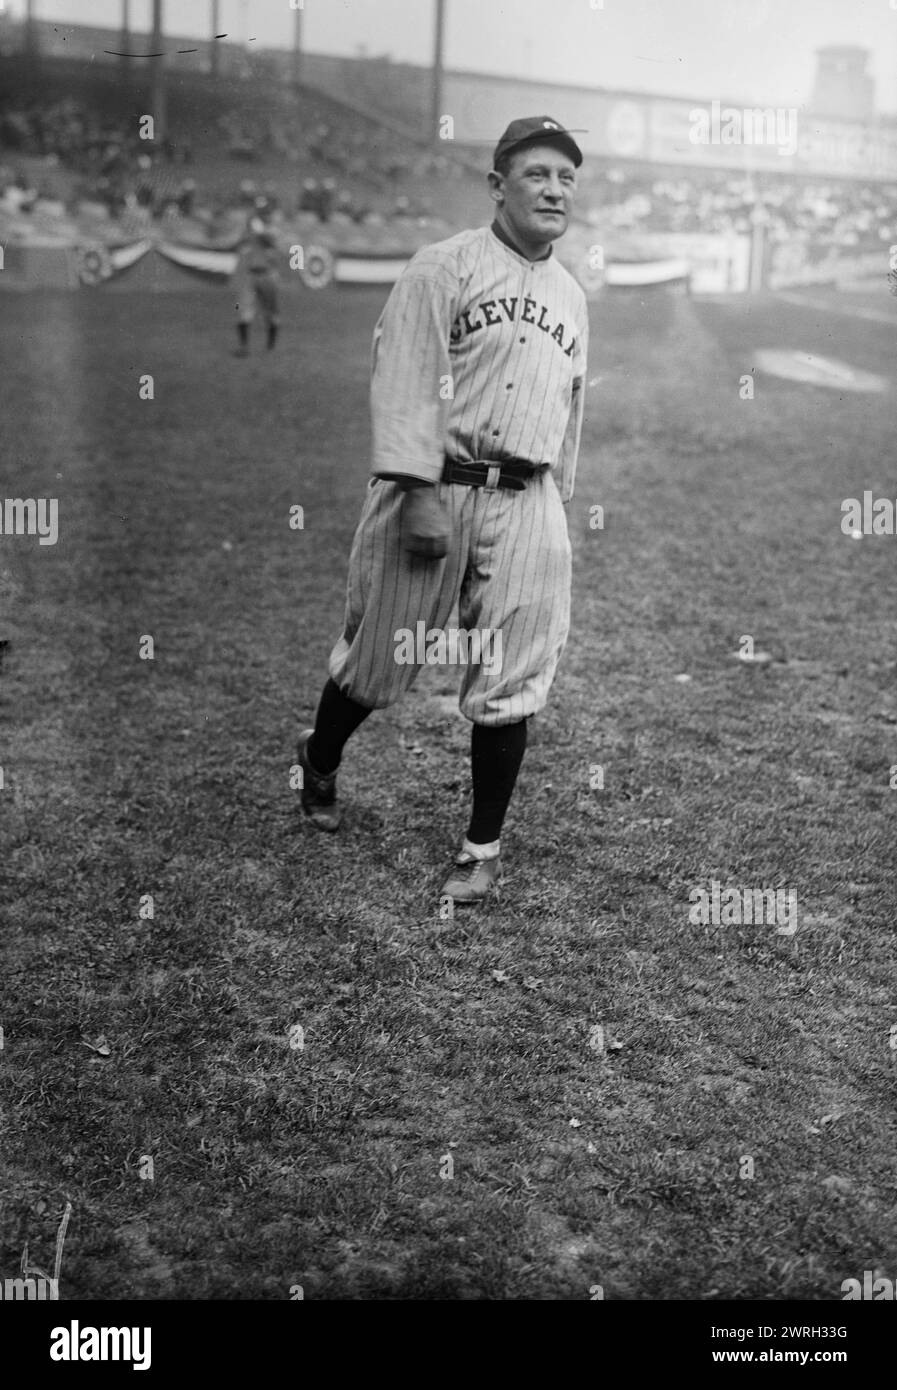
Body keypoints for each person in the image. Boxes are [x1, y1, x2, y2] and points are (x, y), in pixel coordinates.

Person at [297, 117, 589, 904]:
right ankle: (319, 758)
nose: (554, 189)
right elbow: (403, 380)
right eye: (536, 174)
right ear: (498, 185)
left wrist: (553, 509)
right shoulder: (443, 269)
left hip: (526, 497)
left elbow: (568, 406)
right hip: (435, 484)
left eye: (565, 176)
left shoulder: (571, 294)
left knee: (512, 677)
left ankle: (479, 848)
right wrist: (419, 492)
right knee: (376, 663)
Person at [233, 219, 281, 356]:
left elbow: (271, 242)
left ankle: (271, 347)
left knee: (271, 312)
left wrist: (258, 232)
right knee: (243, 309)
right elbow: (237, 245)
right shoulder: (248, 237)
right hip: (251, 275)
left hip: (267, 275)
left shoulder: (270, 233)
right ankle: (244, 347)